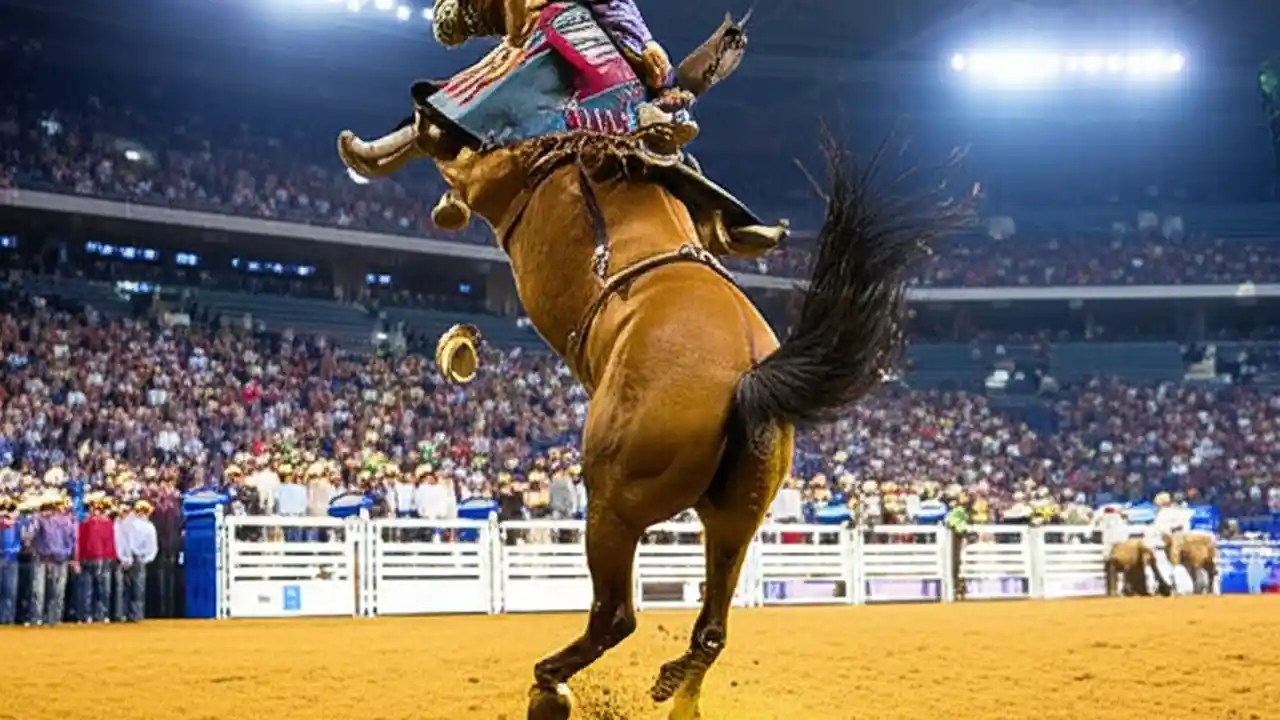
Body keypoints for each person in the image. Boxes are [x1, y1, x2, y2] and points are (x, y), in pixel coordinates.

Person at [76, 495, 118, 623]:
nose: (96, 512)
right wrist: (77, 560)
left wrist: (112, 557)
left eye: (98, 509)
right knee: (87, 590)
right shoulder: (84, 525)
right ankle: (85, 614)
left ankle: (102, 614)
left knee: (103, 590)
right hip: (87, 559)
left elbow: (111, 542)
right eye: (94, 509)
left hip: (103, 559)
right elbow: (80, 543)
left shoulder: (108, 524)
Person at [117, 500, 158, 623]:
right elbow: (152, 547)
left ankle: (125, 613)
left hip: (127, 556)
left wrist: (124, 557)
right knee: (138, 588)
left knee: (126, 588)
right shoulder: (149, 526)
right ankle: (136, 614)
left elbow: (122, 542)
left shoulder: (126, 523)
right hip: (139, 558)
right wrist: (147, 559)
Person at [0, 496, 20, 624]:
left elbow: (20, 540)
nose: (7, 512)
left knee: (10, 591)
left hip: (12, 558)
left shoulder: (17, 524)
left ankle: (8, 619)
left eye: (10, 509)